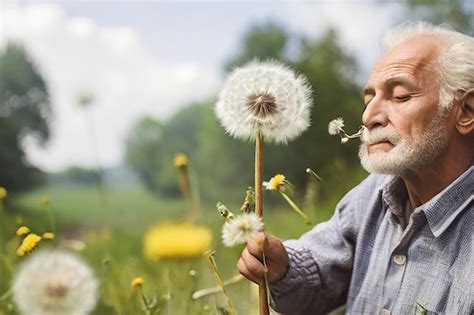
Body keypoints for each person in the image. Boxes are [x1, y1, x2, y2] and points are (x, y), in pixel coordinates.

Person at [237, 22, 473, 315]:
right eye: (368, 98)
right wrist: (282, 265)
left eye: (399, 95)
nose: (368, 116)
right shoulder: (375, 192)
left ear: (466, 112)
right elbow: (322, 269)